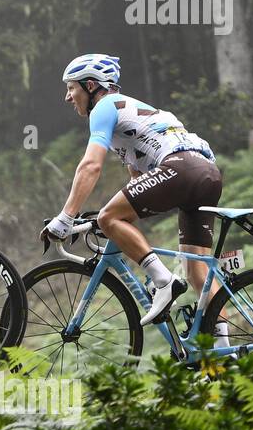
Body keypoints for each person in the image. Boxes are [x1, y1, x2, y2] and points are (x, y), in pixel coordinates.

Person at [42, 54, 223, 327]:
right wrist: (97, 223)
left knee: (109, 217)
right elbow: (137, 187)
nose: (68, 97)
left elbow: (90, 166)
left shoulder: (104, 107)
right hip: (207, 173)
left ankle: (164, 282)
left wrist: (66, 218)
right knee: (197, 271)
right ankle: (227, 349)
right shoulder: (132, 116)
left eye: (71, 88)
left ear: (91, 86)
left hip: (180, 167)